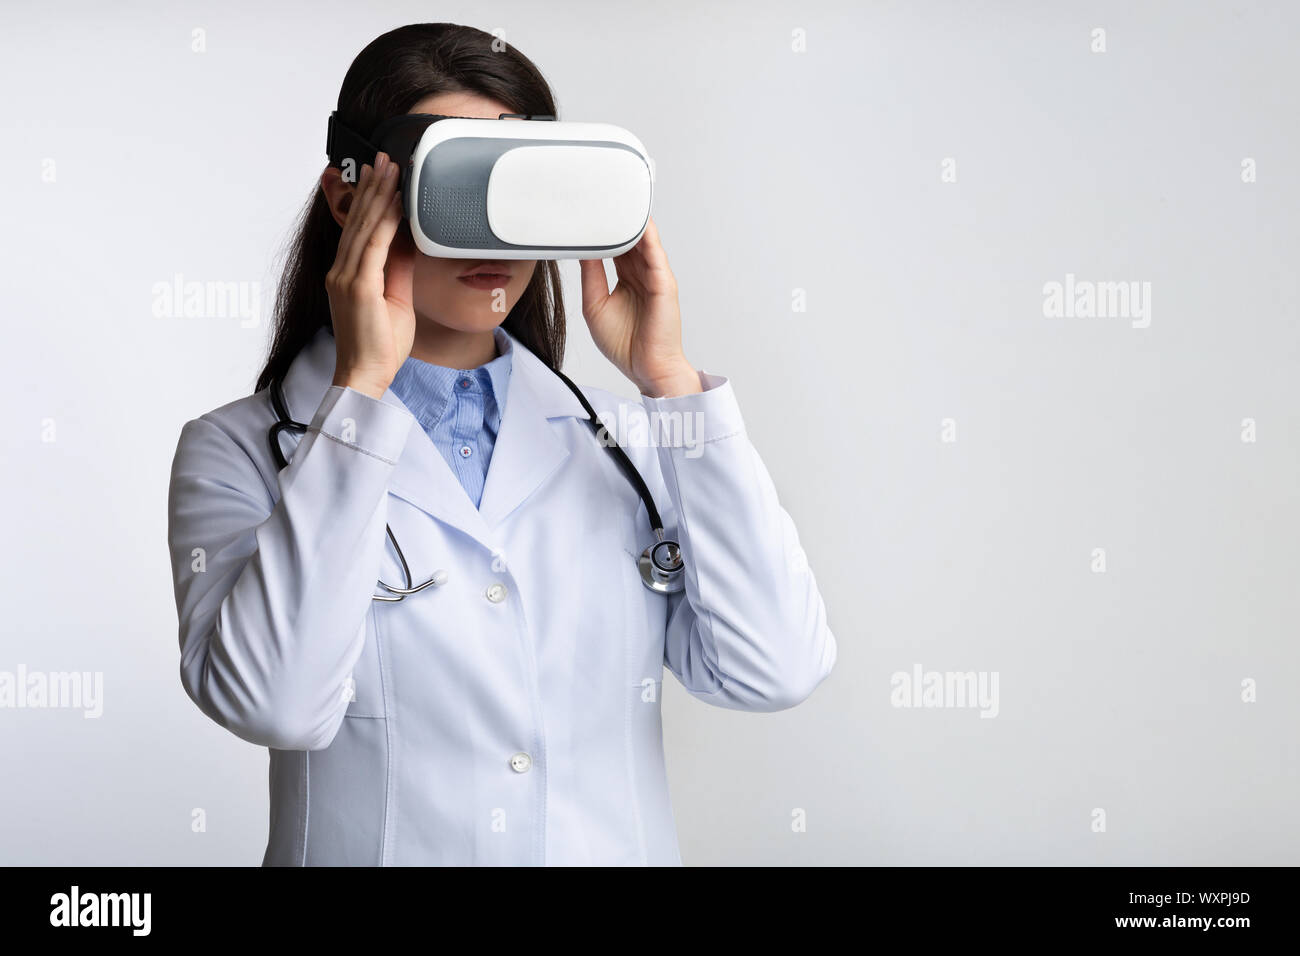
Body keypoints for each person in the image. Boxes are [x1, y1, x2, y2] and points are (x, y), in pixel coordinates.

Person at [166, 22, 836, 866]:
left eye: (516, 184)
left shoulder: (630, 440)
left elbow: (772, 669)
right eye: (456, 185)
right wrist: (359, 399)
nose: (490, 236)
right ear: (350, 198)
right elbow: (276, 705)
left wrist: (668, 379)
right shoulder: (239, 451)